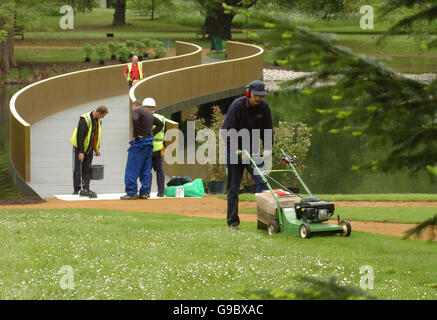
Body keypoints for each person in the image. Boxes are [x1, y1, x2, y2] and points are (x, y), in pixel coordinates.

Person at [221, 80, 273, 230]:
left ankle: (264, 221)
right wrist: (235, 148)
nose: (258, 98)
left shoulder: (264, 108)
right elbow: (227, 130)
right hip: (235, 151)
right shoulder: (237, 106)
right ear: (248, 93)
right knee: (233, 188)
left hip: (253, 150)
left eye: (261, 96)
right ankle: (233, 222)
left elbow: (267, 130)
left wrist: (268, 149)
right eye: (256, 95)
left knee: (262, 183)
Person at [121, 99, 163, 200]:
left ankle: (131, 193)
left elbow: (135, 120)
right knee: (145, 169)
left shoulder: (137, 111)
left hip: (140, 143)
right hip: (149, 144)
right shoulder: (149, 114)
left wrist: (136, 134)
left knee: (132, 168)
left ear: (135, 106)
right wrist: (153, 132)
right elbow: (160, 124)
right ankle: (144, 192)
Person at [70, 105, 109, 197]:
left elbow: (96, 135)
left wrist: (96, 149)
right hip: (80, 147)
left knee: (87, 169)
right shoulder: (84, 120)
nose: (103, 118)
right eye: (103, 116)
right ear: (99, 113)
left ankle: (86, 188)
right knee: (78, 169)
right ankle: (77, 189)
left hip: (90, 148)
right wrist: (80, 152)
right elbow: (80, 137)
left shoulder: (98, 120)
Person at [143, 97, 166, 197]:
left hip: (149, 148)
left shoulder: (148, 119)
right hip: (159, 148)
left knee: (147, 171)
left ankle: (147, 192)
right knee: (160, 171)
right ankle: (161, 191)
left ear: (148, 108)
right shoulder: (162, 118)